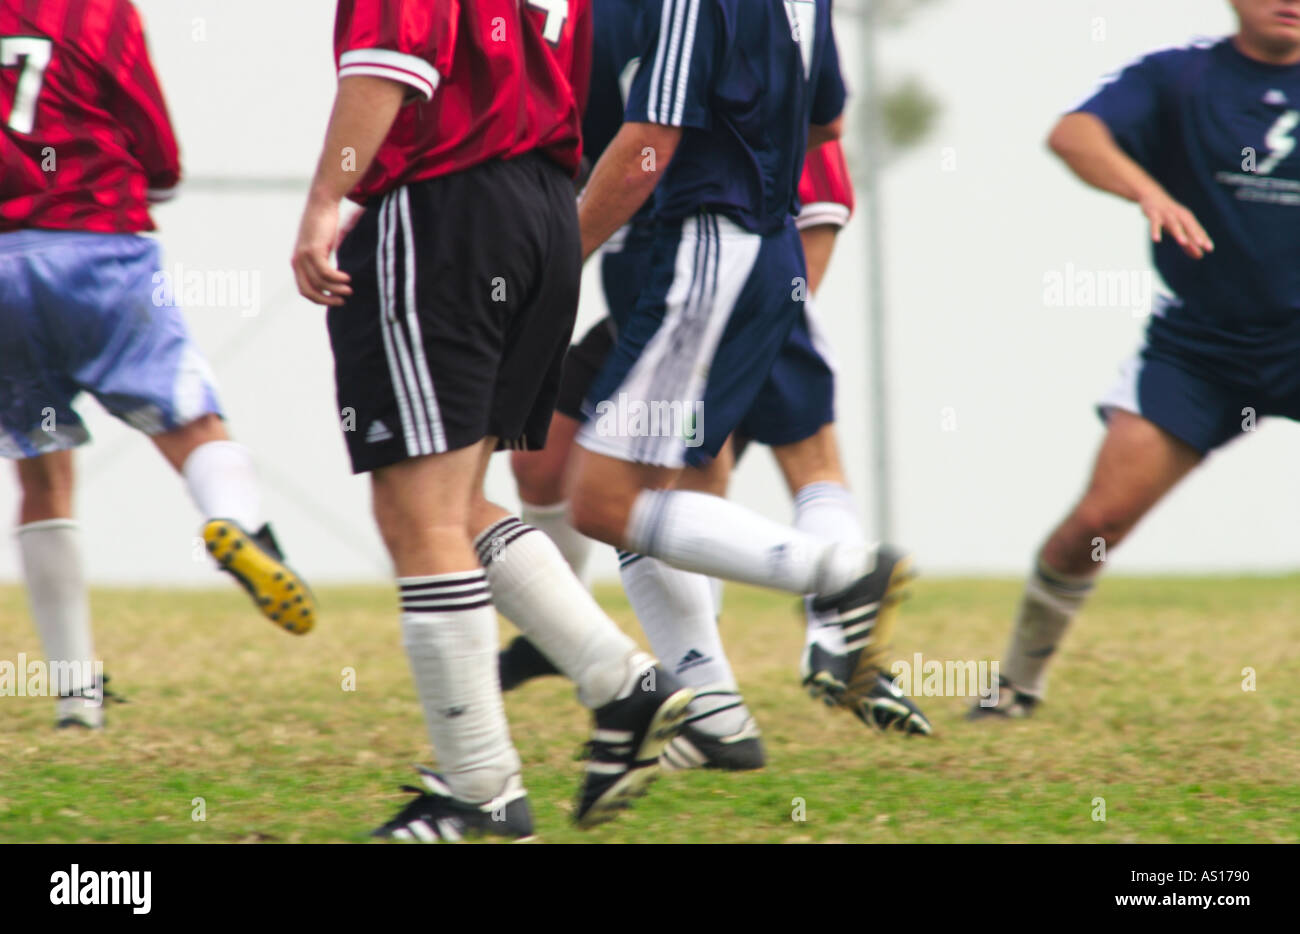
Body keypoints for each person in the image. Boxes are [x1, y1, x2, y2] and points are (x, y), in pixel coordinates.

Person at [291, 0, 693, 842]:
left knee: (418, 514)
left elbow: (390, 60)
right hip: (542, 203)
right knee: (458, 505)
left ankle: (479, 791)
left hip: (448, 207)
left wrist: (327, 196)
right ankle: (620, 681)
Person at [552, 0, 916, 739]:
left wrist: (551, 269)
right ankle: (722, 712)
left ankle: (839, 579)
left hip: (700, 250)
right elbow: (826, 125)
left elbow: (644, 143)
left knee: (607, 497)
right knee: (649, 483)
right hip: (766, 244)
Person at [973, 0, 1300, 718]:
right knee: (1096, 524)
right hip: (1204, 345)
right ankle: (1013, 691)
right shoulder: (1179, 77)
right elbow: (1072, 134)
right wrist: (1148, 188)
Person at [0, 0, 316, 731]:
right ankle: (238, 527)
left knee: (40, 468)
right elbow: (159, 156)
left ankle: (75, 698)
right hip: (97, 249)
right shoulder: (98, 10)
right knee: (191, 425)